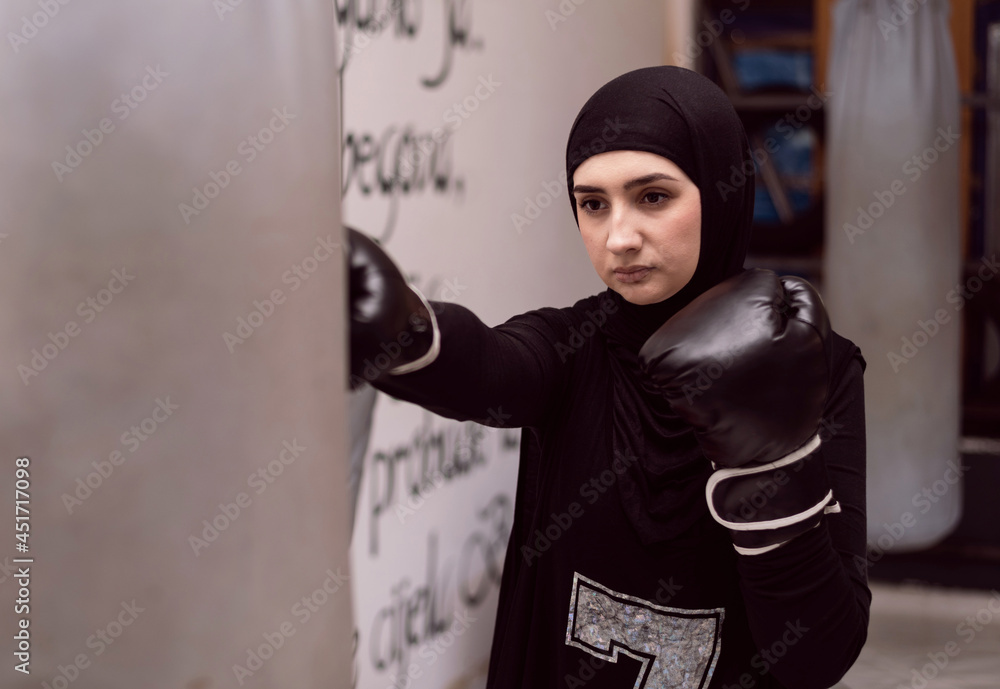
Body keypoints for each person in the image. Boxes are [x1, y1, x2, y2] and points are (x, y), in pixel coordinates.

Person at [348, 66, 869, 689]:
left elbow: (818, 656)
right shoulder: (572, 346)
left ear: (722, 190)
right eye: (592, 204)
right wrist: (403, 331)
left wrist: (771, 473)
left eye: (653, 196)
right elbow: (490, 368)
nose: (618, 237)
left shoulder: (818, 366)